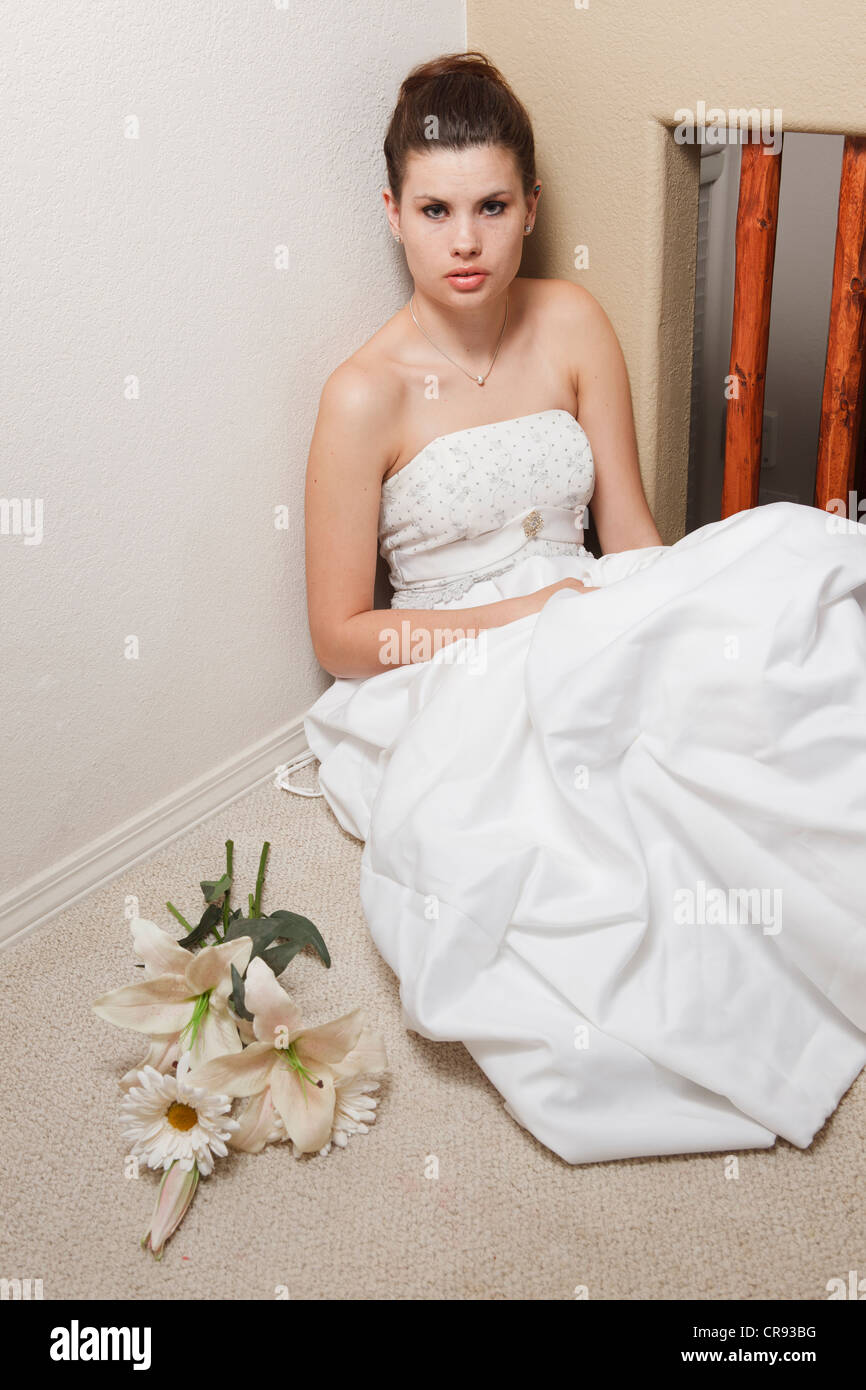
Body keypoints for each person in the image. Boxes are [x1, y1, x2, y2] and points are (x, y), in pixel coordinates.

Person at [298, 51, 866, 1166]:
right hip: (453, 656)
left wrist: (652, 613)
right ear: (393, 214)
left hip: (594, 595)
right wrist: (529, 620)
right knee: (577, 843)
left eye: (491, 206)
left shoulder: (569, 321)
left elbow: (635, 534)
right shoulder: (361, 394)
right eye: (435, 209)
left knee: (778, 594)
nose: (464, 241)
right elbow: (341, 637)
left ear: (529, 208)